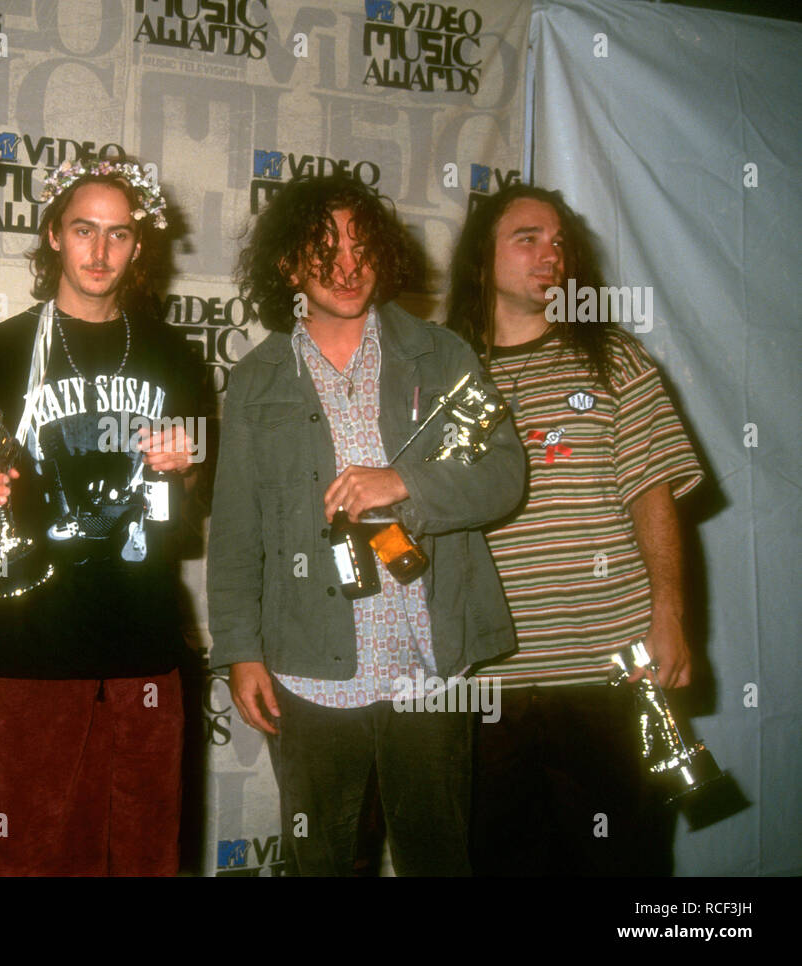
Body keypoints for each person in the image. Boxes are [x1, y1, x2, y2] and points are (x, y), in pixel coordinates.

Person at [208, 174, 525, 876]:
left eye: (360, 245)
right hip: (312, 675)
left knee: (440, 859)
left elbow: (506, 476)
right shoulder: (257, 380)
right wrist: (240, 650)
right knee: (318, 862)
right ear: (289, 265)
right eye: (323, 250)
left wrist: (405, 481)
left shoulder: (441, 356)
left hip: (431, 668)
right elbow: (235, 532)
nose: (346, 266)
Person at [0, 157, 205, 875]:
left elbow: (196, 507)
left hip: (144, 651)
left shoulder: (176, 356)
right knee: (23, 858)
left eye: (118, 235)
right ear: (54, 234)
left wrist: (190, 469)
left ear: (138, 247)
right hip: (29, 651)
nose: (100, 251)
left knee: (143, 858)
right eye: (84, 230)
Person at [444, 183, 704, 875]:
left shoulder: (613, 360)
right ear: (482, 258)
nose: (550, 254)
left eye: (560, 241)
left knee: (623, 861)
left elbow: (654, 493)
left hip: (607, 674)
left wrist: (670, 612)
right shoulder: (441, 377)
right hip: (486, 680)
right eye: (527, 237)